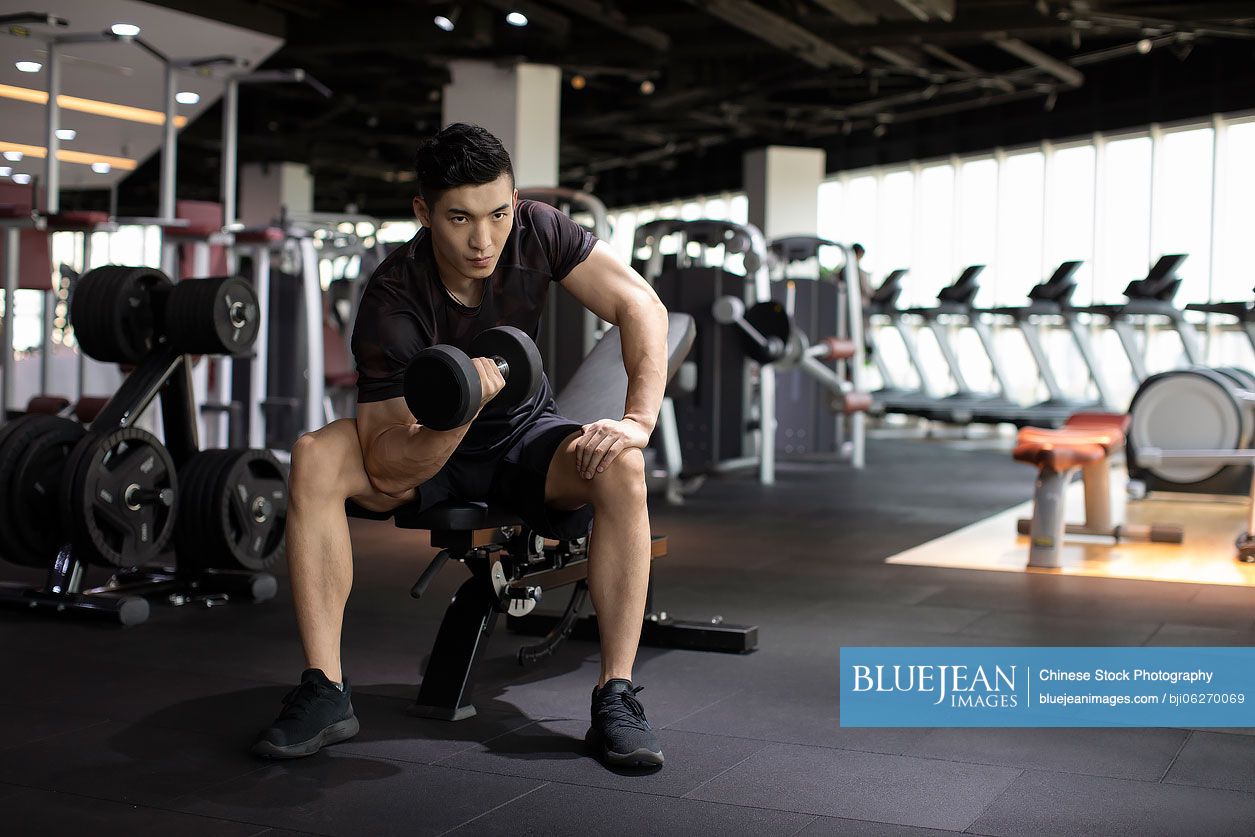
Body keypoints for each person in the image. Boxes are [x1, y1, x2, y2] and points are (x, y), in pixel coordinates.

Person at [251, 123, 671, 769]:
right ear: (423, 212)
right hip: (425, 440)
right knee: (313, 455)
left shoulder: (538, 229)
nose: (484, 239)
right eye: (459, 218)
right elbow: (390, 471)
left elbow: (640, 304)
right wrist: (456, 411)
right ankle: (324, 689)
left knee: (623, 467)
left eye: (497, 213)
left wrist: (637, 420)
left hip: (523, 434)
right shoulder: (393, 295)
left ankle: (615, 693)